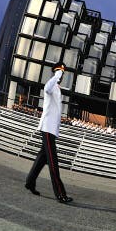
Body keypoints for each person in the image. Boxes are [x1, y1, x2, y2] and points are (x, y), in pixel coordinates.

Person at [25, 62, 71, 203]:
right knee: (53, 163)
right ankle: (60, 194)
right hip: (47, 129)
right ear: (56, 72)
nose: (61, 76)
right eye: (60, 73)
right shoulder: (51, 85)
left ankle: (30, 182)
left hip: (50, 130)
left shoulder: (56, 88)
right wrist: (57, 75)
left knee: (42, 158)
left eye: (62, 74)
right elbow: (46, 88)